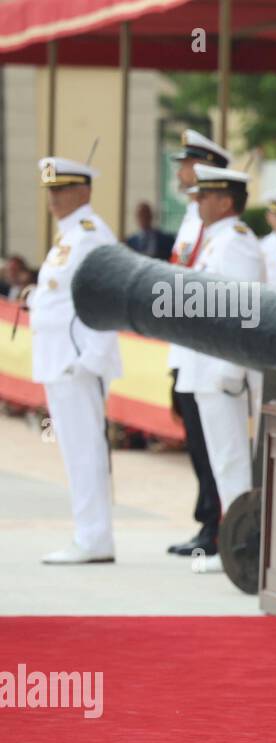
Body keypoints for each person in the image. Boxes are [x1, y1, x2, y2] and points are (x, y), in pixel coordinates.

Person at [29, 158, 121, 564]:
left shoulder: (89, 235)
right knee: (74, 449)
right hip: (61, 359)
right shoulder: (69, 235)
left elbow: (106, 297)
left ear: (83, 192)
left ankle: (94, 537)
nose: (53, 198)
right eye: (50, 190)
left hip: (76, 361)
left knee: (85, 450)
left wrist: (91, 358)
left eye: (61, 189)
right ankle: (89, 533)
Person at [172, 165, 265, 544]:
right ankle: (231, 542)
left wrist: (230, 368)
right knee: (221, 461)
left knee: (233, 461)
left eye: (205, 195)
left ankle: (241, 542)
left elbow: (245, 307)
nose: (199, 202)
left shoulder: (236, 241)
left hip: (222, 370)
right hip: (204, 364)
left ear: (226, 201)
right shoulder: (215, 239)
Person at [165, 128, 230, 558]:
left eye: (188, 164)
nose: (182, 171)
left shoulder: (216, 229)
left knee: (213, 443)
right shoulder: (191, 218)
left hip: (205, 350)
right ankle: (207, 520)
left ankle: (217, 525)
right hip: (185, 346)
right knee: (196, 439)